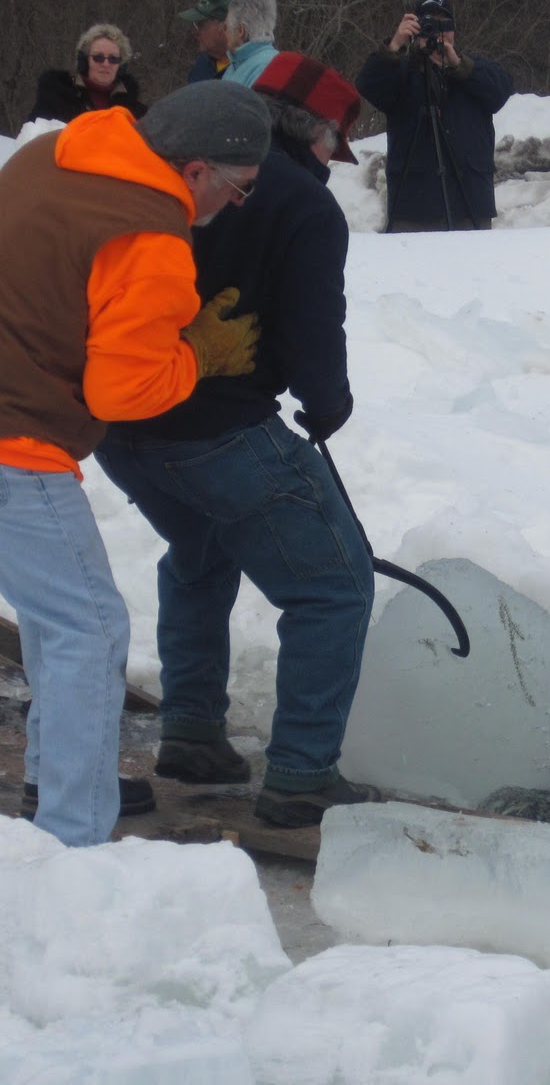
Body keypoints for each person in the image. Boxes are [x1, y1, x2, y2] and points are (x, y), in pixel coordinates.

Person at [0, 80, 270, 848]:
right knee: (88, 630)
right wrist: (198, 351)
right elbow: (124, 391)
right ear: (195, 170)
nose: (237, 205)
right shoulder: (153, 237)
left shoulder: (59, 149)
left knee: (58, 619)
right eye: (239, 188)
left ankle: (57, 776)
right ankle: (72, 840)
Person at [95, 52, 379, 829]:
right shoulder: (303, 209)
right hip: (215, 431)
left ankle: (190, 732)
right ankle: (301, 776)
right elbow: (312, 331)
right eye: (332, 145)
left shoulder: (155, 171)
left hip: (120, 429)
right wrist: (328, 404)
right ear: (309, 132)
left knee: (202, 553)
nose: (330, 163)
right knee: (334, 585)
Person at [354, 0, 513, 233]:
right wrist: (394, 46)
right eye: (428, 24)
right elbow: (368, 84)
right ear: (415, 29)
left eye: (445, 25)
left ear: (454, 31)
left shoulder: (472, 70)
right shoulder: (401, 74)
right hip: (414, 206)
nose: (438, 32)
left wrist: (459, 65)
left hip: (469, 204)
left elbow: (501, 90)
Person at [26, 22, 149, 123]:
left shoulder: (135, 112)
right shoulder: (55, 98)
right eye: (98, 57)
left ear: (121, 65)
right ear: (84, 60)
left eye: (113, 59)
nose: (106, 64)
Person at [219, 0, 280, 87]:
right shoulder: (237, 63)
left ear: (240, 31)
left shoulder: (264, 68)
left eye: (226, 27)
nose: (223, 32)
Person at [180, 0, 233, 82]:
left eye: (200, 24)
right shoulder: (201, 66)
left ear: (225, 27)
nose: (194, 32)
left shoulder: (255, 69)